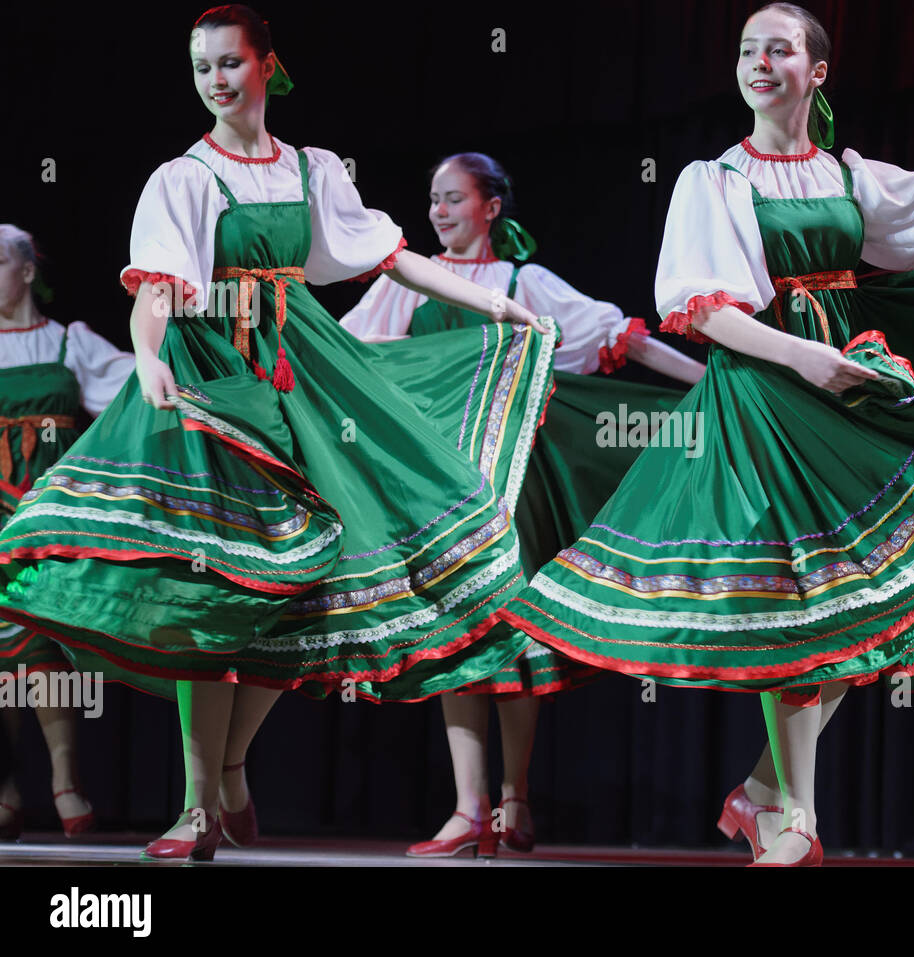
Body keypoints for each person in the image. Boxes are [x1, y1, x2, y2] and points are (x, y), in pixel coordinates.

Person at [499, 2, 914, 865]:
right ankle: (794, 814)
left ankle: (763, 793)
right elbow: (703, 310)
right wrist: (808, 362)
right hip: (766, 392)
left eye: (778, 49)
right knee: (800, 594)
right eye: (747, 49)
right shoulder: (713, 181)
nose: (758, 62)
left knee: (868, 599)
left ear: (814, 71)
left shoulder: (847, 174)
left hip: (844, 388)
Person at [0, 4, 553, 862]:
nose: (217, 81)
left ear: (266, 67)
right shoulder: (182, 179)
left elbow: (386, 253)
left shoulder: (311, 169)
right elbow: (156, 287)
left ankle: (229, 766)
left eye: (230, 63)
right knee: (211, 580)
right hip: (211, 377)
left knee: (301, 583)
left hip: (298, 372)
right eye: (202, 68)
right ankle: (194, 806)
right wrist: (149, 358)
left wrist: (491, 300)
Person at [342, 152, 705, 856]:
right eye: (433, 199)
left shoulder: (522, 282)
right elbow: (347, 348)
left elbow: (615, 336)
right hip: (439, 485)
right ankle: (467, 806)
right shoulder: (406, 280)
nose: (439, 211)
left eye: (453, 198)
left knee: (512, 627)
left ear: (491, 207)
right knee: (455, 626)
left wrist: (710, 380)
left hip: (515, 479)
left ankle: (515, 799)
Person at [0, 224, 134, 840]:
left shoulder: (67, 342)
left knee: (44, 643)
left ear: (27, 271)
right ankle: (8, 787)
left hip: (46, 511)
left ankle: (63, 777)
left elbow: (134, 387)